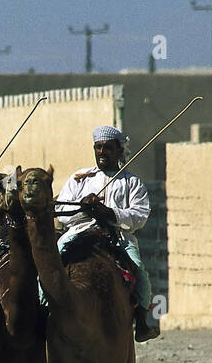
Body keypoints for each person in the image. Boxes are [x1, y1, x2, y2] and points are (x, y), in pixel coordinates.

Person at [54, 124, 160, 341]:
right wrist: (83, 207)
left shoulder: (132, 182)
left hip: (118, 237)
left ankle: (142, 320)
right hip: (79, 232)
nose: (102, 152)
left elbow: (139, 217)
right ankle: (43, 311)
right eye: (98, 147)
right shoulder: (79, 178)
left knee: (138, 269)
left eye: (108, 148)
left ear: (119, 150)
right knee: (51, 263)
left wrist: (110, 214)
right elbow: (62, 213)